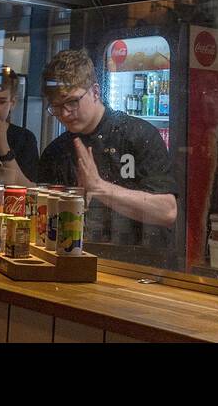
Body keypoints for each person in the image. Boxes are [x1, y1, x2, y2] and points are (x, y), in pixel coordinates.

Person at [36, 49, 176, 254]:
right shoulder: (56, 152)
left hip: (139, 264)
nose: (65, 113)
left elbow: (167, 211)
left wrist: (100, 187)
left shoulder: (138, 135)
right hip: (74, 260)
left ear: (95, 91)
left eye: (72, 102)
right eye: (56, 107)